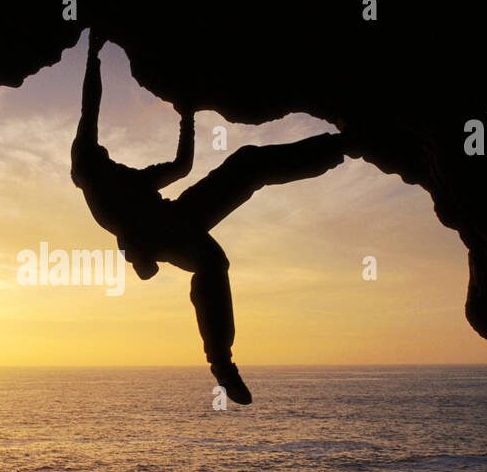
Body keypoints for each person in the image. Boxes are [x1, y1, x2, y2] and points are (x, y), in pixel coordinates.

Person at [71, 30, 347, 404]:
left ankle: (338, 148)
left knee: (249, 164)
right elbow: (91, 109)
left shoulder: (128, 178)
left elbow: (181, 167)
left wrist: (187, 115)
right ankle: (222, 364)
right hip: (165, 235)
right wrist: (92, 58)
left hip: (179, 215)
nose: (100, 148)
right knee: (213, 262)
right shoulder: (91, 171)